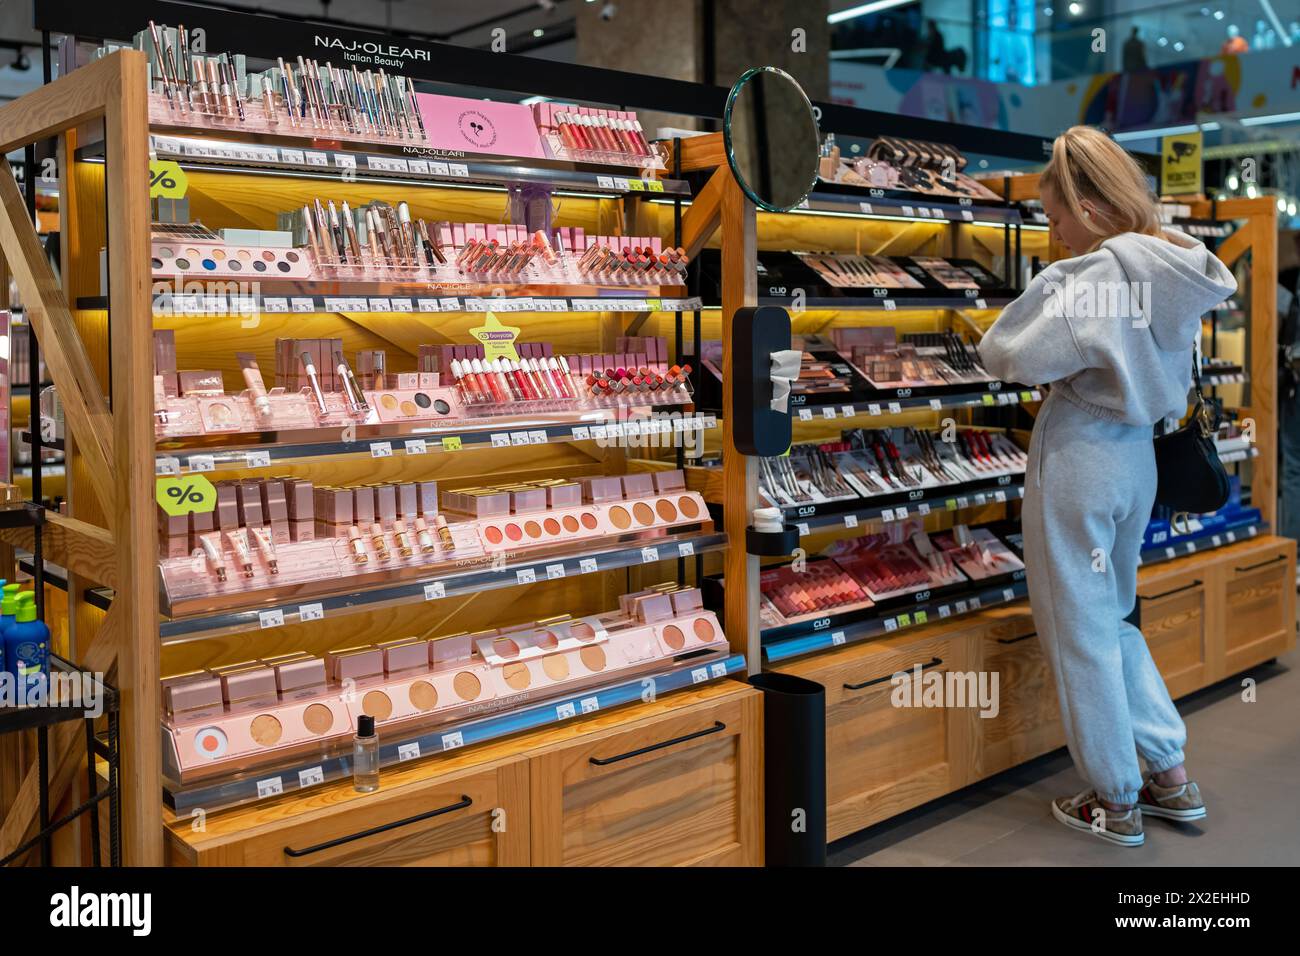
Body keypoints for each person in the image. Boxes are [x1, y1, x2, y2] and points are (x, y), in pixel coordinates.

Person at [979, 126, 1237, 847]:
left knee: (1077, 628)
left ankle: (1114, 799)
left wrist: (1055, 280)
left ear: (1089, 207)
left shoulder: (1092, 279)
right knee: (1115, 616)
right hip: (1137, 458)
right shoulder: (1171, 267)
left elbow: (1005, 353)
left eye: (1055, 215)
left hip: (1082, 456)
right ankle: (1168, 772)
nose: (1053, 231)